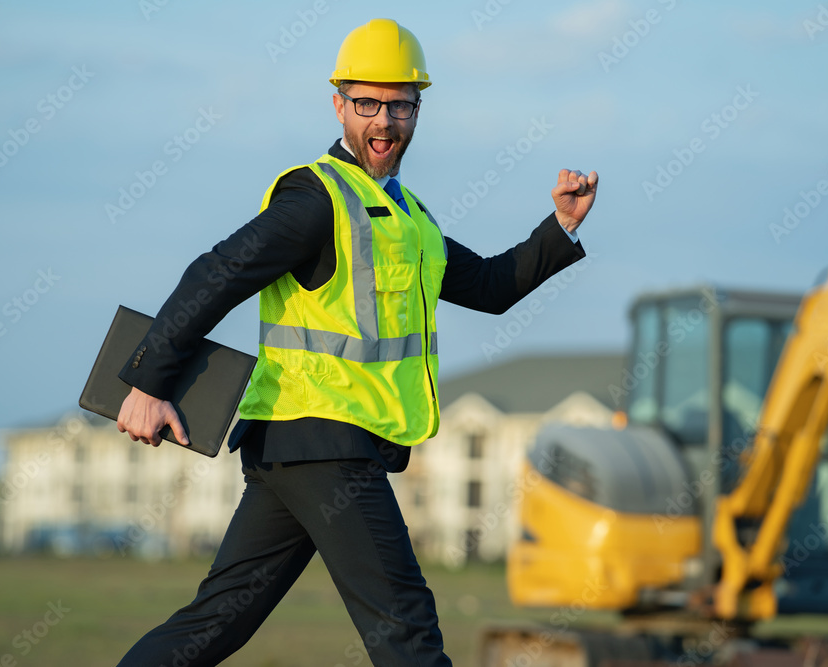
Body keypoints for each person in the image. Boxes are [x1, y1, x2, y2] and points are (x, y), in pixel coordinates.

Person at [114, 17, 597, 667]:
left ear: (419, 109)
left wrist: (559, 228)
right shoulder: (317, 197)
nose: (384, 121)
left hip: (301, 448)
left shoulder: (408, 217)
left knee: (216, 620)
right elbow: (218, 274)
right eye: (367, 103)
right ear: (338, 104)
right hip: (324, 441)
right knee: (408, 629)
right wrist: (148, 382)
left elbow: (487, 284)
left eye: (401, 104)